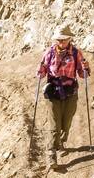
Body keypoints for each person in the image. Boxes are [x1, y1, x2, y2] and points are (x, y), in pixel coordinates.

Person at [37, 26, 90, 170]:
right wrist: (41, 70)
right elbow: (42, 72)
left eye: (64, 39)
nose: (61, 42)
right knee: (55, 125)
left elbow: (81, 73)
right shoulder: (49, 53)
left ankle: (60, 142)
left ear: (69, 39)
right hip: (53, 91)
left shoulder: (75, 53)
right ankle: (51, 154)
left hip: (70, 91)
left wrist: (86, 68)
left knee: (66, 123)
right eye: (59, 39)